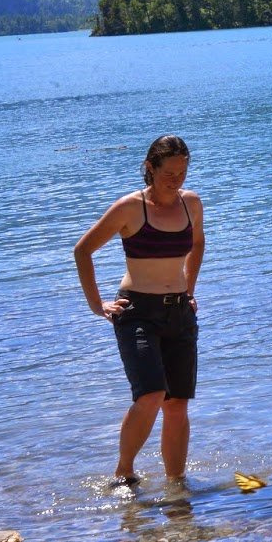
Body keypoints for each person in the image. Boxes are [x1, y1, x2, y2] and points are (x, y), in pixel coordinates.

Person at [73, 135, 205, 484]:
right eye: (169, 172)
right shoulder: (131, 207)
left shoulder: (191, 204)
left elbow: (198, 243)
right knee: (150, 394)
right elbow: (83, 251)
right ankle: (124, 471)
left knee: (177, 404)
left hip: (179, 312)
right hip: (138, 312)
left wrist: (189, 290)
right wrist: (96, 304)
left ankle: (177, 485)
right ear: (150, 168)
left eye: (182, 171)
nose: (176, 179)